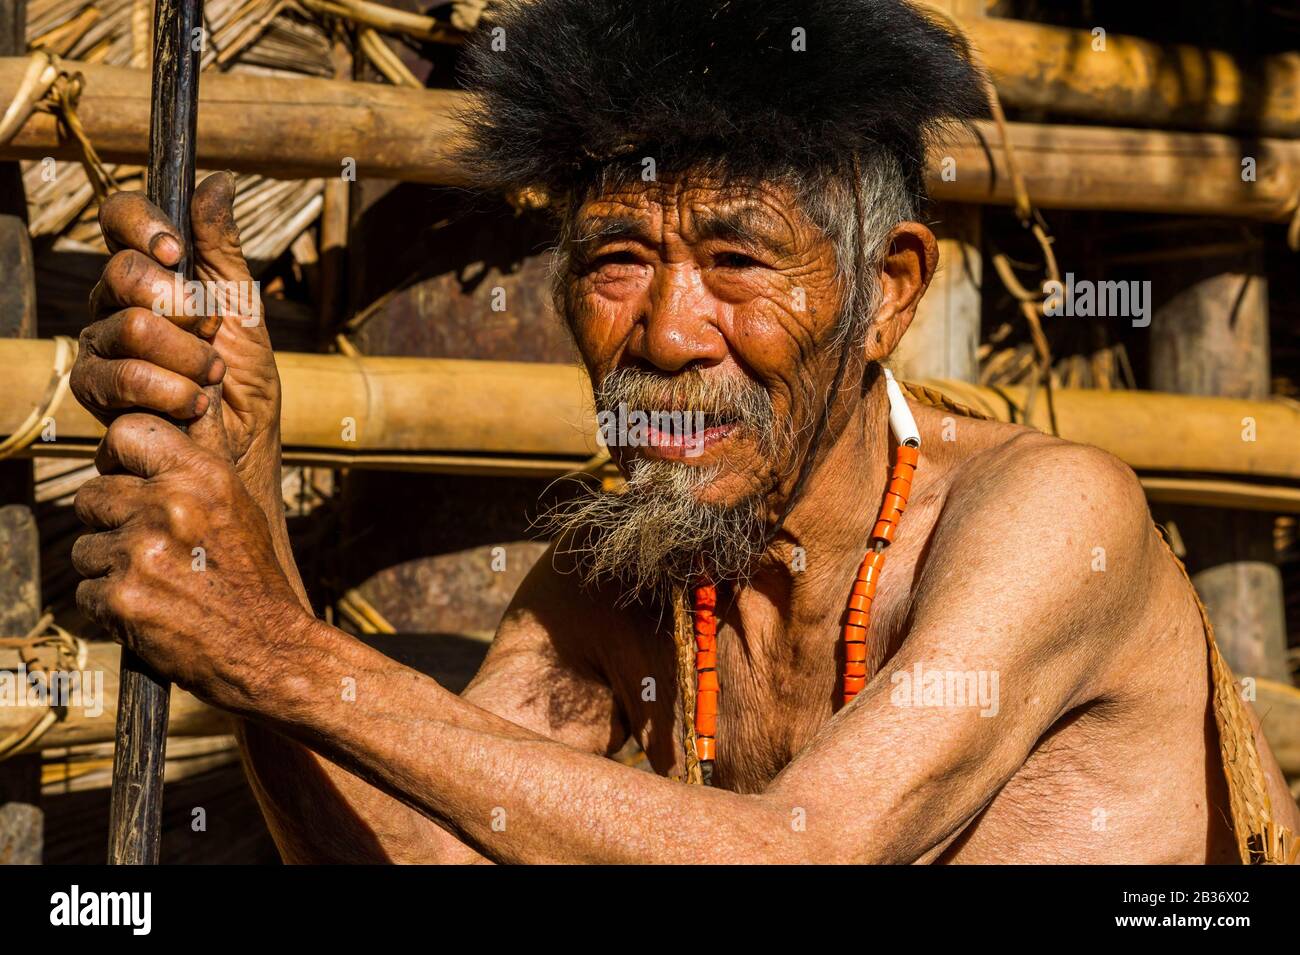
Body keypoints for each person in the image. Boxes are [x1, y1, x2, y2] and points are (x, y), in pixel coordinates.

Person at [68, 0, 1297, 862]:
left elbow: (805, 860)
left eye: (735, 259)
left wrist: (275, 651)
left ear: (888, 290)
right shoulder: (613, 587)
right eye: (615, 259)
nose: (667, 332)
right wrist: (245, 512)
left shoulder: (1045, 519)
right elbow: (415, 863)